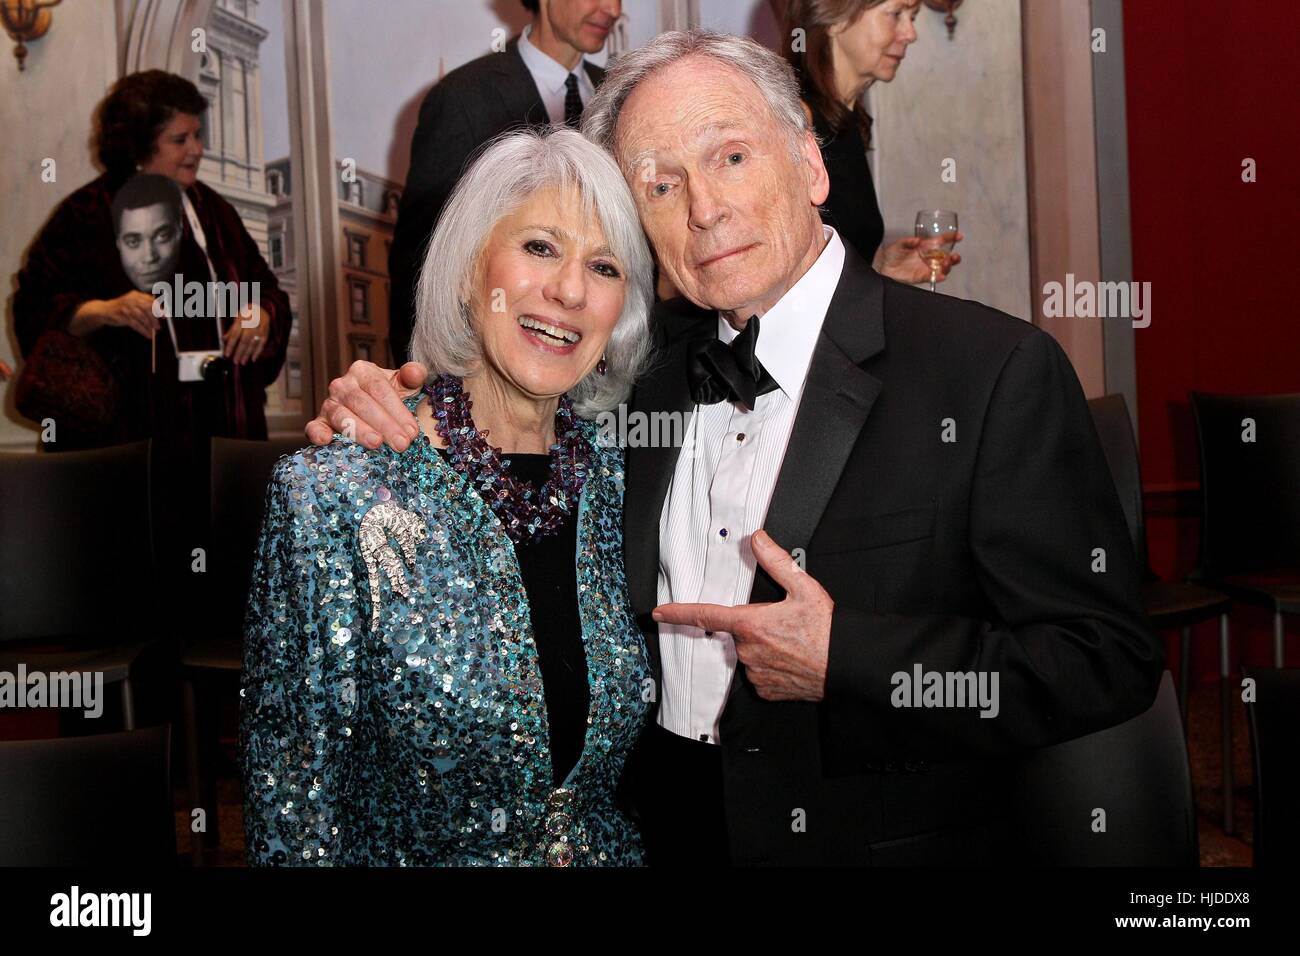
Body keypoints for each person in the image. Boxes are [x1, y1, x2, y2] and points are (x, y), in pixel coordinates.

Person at [305, 30, 1164, 866]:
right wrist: (380, 413)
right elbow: (494, 423)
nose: (705, 209)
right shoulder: (637, 385)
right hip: (652, 836)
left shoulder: (990, 373)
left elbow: (1105, 660)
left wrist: (850, 659)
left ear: (811, 163)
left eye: (731, 158)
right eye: (661, 184)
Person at [240, 128, 656, 866]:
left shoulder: (625, 484)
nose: (569, 289)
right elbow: (294, 810)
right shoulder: (333, 495)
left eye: (603, 265)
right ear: (469, 272)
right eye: (538, 247)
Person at [13, 70, 291, 451]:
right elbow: (32, 305)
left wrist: (263, 315)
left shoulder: (214, 210)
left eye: (198, 134)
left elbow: (269, 290)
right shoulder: (88, 212)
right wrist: (102, 310)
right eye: (180, 139)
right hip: (122, 447)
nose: (196, 149)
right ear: (140, 147)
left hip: (223, 433)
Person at [388, 0, 621, 367]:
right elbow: (418, 265)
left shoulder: (623, 97)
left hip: (607, 379)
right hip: (490, 378)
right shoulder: (463, 98)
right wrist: (420, 389)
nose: (612, 8)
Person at [778, 0, 963, 283]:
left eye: (912, 17)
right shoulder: (796, 120)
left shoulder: (848, 122)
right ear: (836, 19)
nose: (910, 33)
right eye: (895, 14)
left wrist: (880, 268)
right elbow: (781, 274)